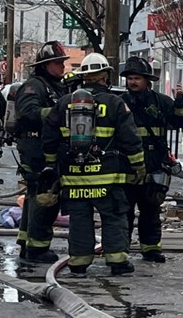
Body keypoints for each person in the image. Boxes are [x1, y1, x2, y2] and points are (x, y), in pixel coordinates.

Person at [43, 53, 145, 277]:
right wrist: (139, 167)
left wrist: (52, 166)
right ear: (104, 76)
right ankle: (117, 261)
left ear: (84, 77)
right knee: (114, 217)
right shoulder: (115, 103)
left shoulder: (64, 103)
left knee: (79, 220)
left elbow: (49, 138)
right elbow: (130, 138)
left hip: (73, 178)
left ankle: (79, 262)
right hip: (107, 177)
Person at [120, 57, 183, 263]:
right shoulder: (120, 103)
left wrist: (180, 103)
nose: (132, 82)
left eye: (137, 78)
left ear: (147, 80)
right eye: (130, 78)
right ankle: (120, 251)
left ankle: (151, 249)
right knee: (124, 212)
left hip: (154, 165)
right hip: (127, 166)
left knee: (150, 210)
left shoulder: (161, 102)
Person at [15, 41, 71, 263]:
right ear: (45, 65)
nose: (62, 67)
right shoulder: (34, 86)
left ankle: (26, 241)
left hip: (47, 148)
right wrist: (58, 112)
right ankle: (37, 249)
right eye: (58, 63)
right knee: (45, 198)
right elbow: (28, 113)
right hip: (35, 149)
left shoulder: (56, 86)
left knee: (35, 197)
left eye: (62, 63)